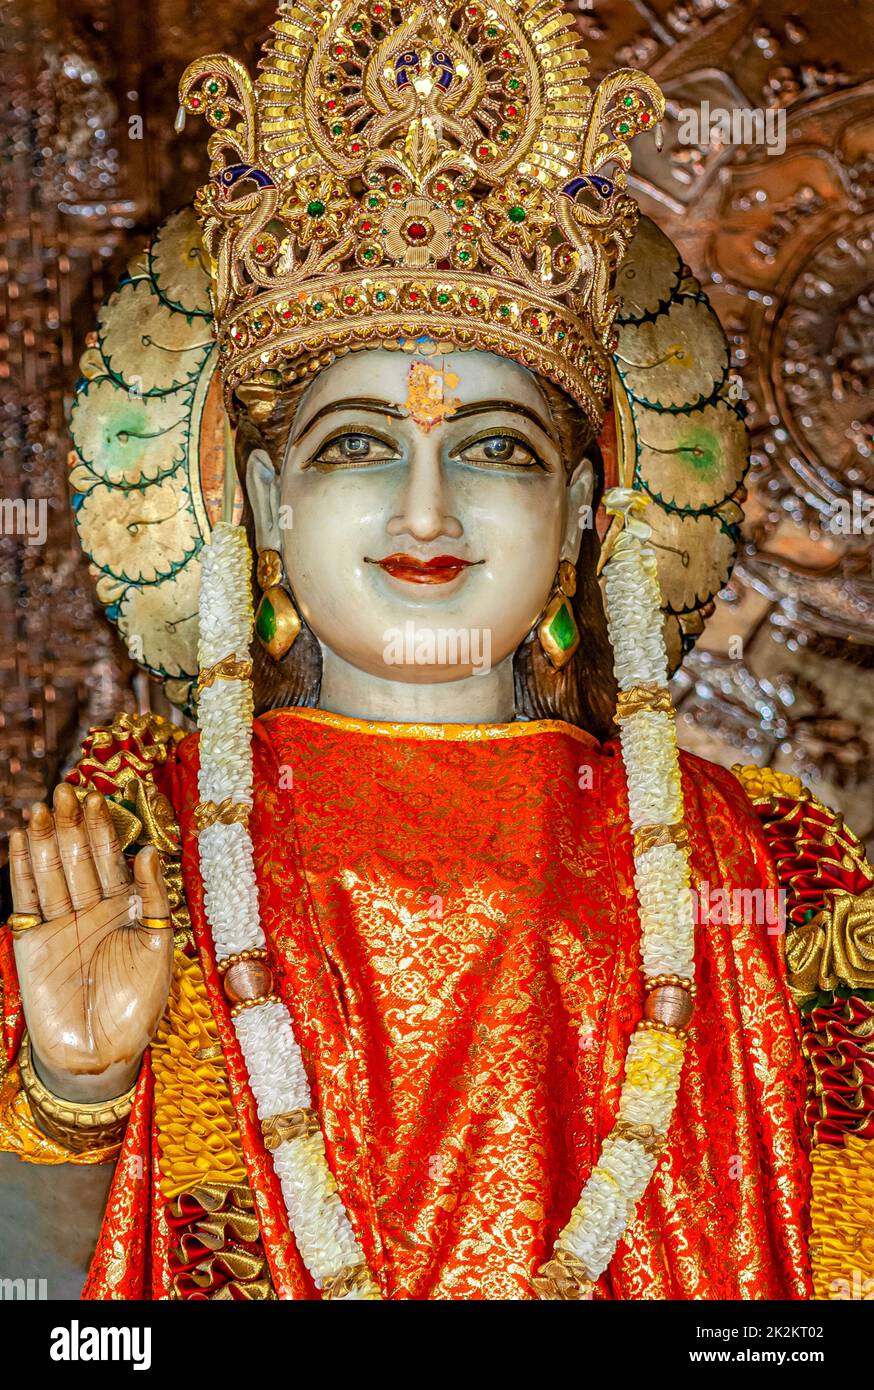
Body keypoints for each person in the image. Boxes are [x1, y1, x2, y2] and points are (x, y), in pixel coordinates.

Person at [2, 0, 871, 1301]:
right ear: (261, 500)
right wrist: (74, 1096)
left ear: (582, 512)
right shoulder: (139, 853)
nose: (424, 510)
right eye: (356, 444)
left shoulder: (760, 872)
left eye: (493, 448)